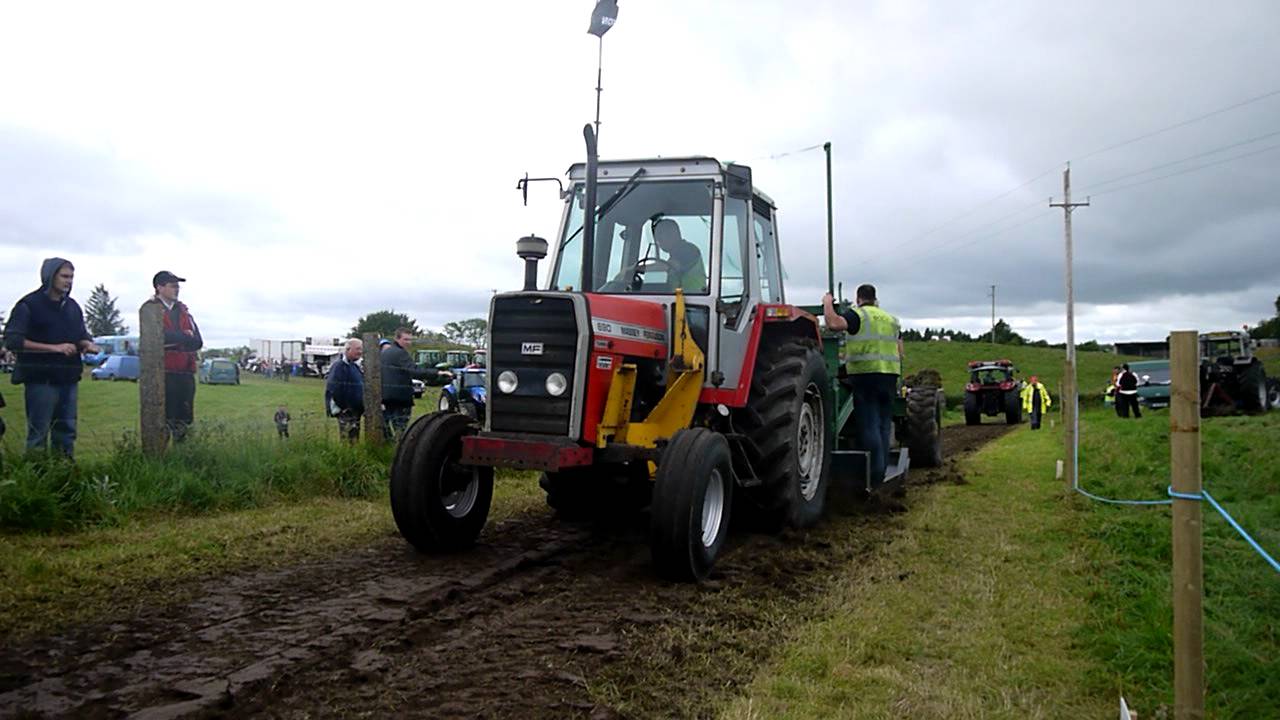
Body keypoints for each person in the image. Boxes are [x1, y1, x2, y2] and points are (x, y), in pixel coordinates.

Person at [3, 258, 99, 458]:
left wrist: (87, 344)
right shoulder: (28, 305)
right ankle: (36, 478)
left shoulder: (72, 307)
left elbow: (80, 334)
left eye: (71, 277)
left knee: (66, 431)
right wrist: (54, 348)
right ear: (49, 276)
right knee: (39, 433)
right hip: (40, 379)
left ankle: (64, 474)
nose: (69, 281)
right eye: (64, 276)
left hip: (68, 377)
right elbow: (13, 340)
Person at [822, 283, 902, 486]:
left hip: (866, 376)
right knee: (884, 425)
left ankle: (873, 477)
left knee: (869, 425)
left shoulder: (858, 315)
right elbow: (900, 351)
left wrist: (827, 303)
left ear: (858, 299)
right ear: (875, 298)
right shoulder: (891, 320)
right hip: (890, 376)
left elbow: (833, 323)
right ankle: (881, 472)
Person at [153, 271, 203, 443]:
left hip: (185, 372)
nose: (177, 289)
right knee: (164, 417)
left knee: (185, 417)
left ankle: (183, 455)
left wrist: (175, 339)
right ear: (159, 287)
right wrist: (183, 336)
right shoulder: (151, 310)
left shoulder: (185, 312)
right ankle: (160, 457)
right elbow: (156, 338)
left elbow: (197, 342)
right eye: (172, 285)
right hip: (163, 372)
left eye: (178, 286)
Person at [381, 328, 450, 439]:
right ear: (397, 338)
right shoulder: (400, 353)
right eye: (405, 339)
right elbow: (415, 371)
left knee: (386, 426)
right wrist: (438, 373)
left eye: (410, 340)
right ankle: (398, 449)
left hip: (386, 396)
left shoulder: (385, 352)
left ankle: (388, 447)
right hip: (400, 397)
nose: (408, 342)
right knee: (400, 430)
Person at [325, 338, 365, 443]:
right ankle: (347, 457)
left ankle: (353, 457)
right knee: (348, 439)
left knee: (354, 438)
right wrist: (345, 407)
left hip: (355, 410)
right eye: (357, 349)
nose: (360, 352)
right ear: (347, 349)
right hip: (347, 411)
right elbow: (334, 389)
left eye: (361, 349)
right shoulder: (339, 366)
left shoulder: (354, 366)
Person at [652, 219, 707, 293]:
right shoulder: (675, 255)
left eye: (660, 237)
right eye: (657, 238)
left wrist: (636, 269)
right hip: (679, 300)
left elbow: (668, 266)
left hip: (694, 301)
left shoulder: (688, 250)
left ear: (673, 234)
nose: (659, 242)